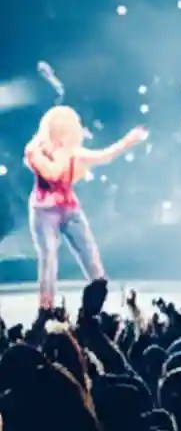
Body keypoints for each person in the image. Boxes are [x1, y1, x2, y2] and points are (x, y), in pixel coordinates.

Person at [23, 105, 148, 311]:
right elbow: (53, 173)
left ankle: (97, 293)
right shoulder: (34, 151)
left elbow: (104, 156)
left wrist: (128, 141)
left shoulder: (71, 151)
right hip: (44, 210)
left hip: (70, 208)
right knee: (49, 257)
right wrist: (65, 153)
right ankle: (46, 308)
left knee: (89, 250)